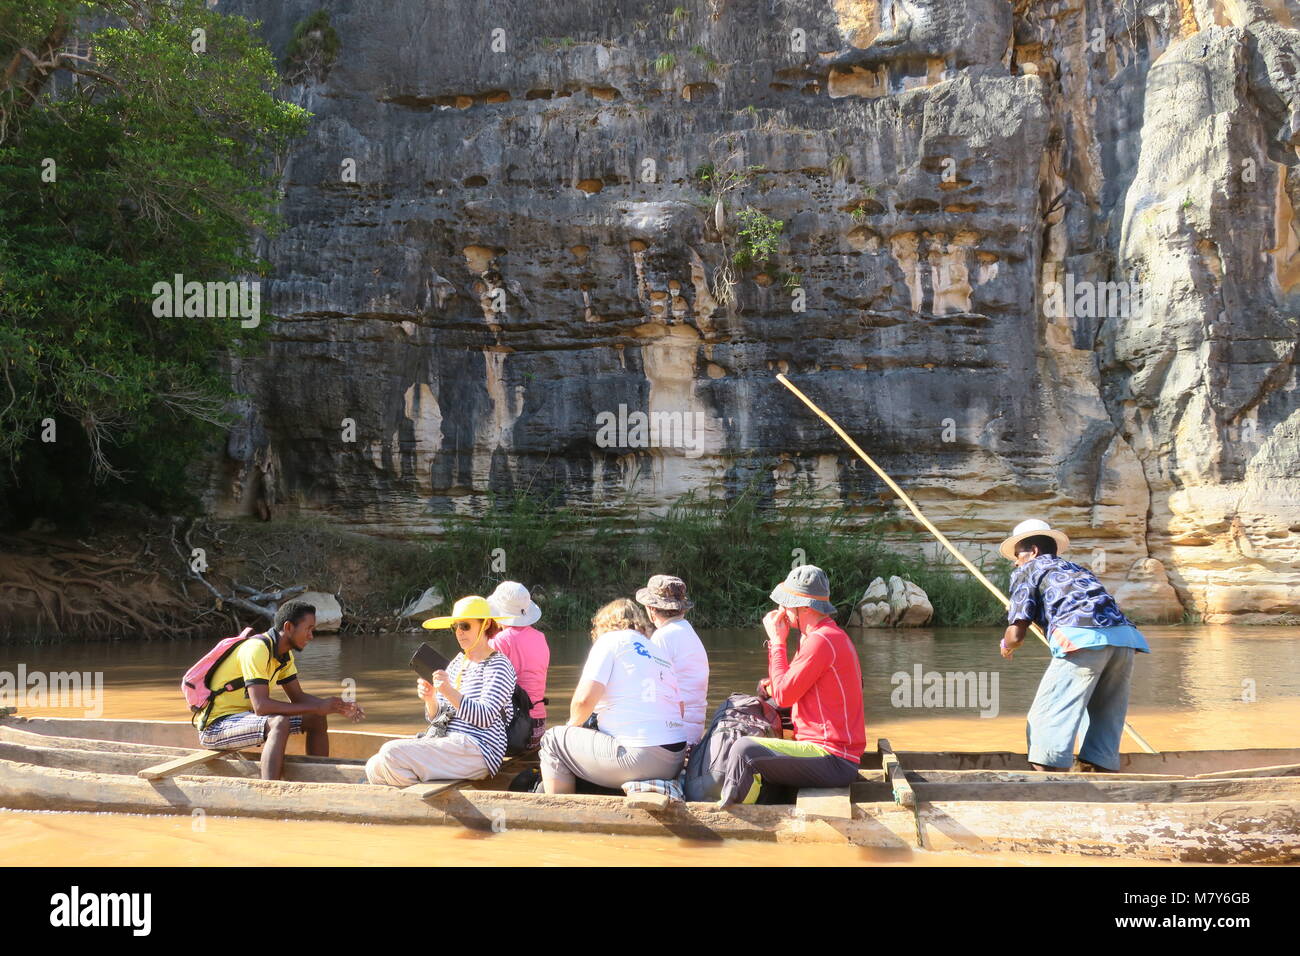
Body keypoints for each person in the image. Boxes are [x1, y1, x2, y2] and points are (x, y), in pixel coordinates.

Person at [998, 518, 1150, 773]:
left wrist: (1007, 644)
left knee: (1046, 719)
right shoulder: (1076, 569)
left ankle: (1050, 784)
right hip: (1125, 640)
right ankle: (1100, 771)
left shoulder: (1028, 569)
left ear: (1033, 551)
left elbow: (1016, 635)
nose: (1015, 561)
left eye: (1018, 554)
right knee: (1103, 716)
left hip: (1082, 638)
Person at [717, 565, 865, 807]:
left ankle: (732, 815)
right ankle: (754, 800)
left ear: (804, 607)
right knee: (764, 704)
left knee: (744, 750)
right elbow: (786, 690)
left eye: (786, 604)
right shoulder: (817, 636)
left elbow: (785, 695)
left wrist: (777, 642)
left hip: (832, 757)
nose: (781, 611)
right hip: (830, 753)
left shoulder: (821, 640)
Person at [196, 600, 365, 780]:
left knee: (316, 718)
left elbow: (298, 697)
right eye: (308, 629)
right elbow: (261, 707)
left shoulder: (284, 655)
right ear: (289, 627)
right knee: (279, 722)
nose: (311, 636)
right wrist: (318, 706)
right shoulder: (257, 649)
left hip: (245, 721)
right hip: (216, 728)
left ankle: (318, 777)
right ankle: (270, 789)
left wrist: (337, 706)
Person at [366, 596, 519, 787]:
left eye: (465, 626)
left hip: (478, 748)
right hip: (447, 742)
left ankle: (418, 801)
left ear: (486, 624)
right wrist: (430, 699)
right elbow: (436, 718)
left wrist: (447, 691)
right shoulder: (457, 662)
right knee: (374, 766)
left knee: (390, 752)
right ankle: (414, 802)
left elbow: (485, 717)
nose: (459, 632)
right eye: (456, 627)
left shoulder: (499, 666)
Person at [539, 599, 687, 793]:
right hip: (674, 760)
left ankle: (560, 815)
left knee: (553, 740)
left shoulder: (610, 641)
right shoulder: (657, 651)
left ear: (603, 625)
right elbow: (681, 708)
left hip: (640, 759)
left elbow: (583, 701)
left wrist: (571, 730)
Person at [636, 574, 709, 746]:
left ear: (651, 609)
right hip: (693, 730)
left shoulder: (662, 637)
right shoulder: (687, 630)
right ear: (682, 608)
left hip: (675, 733)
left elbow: (649, 690)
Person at [486, 581, 550, 749]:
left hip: (515, 733)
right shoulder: (540, 637)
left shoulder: (500, 641)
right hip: (538, 728)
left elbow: (483, 686)